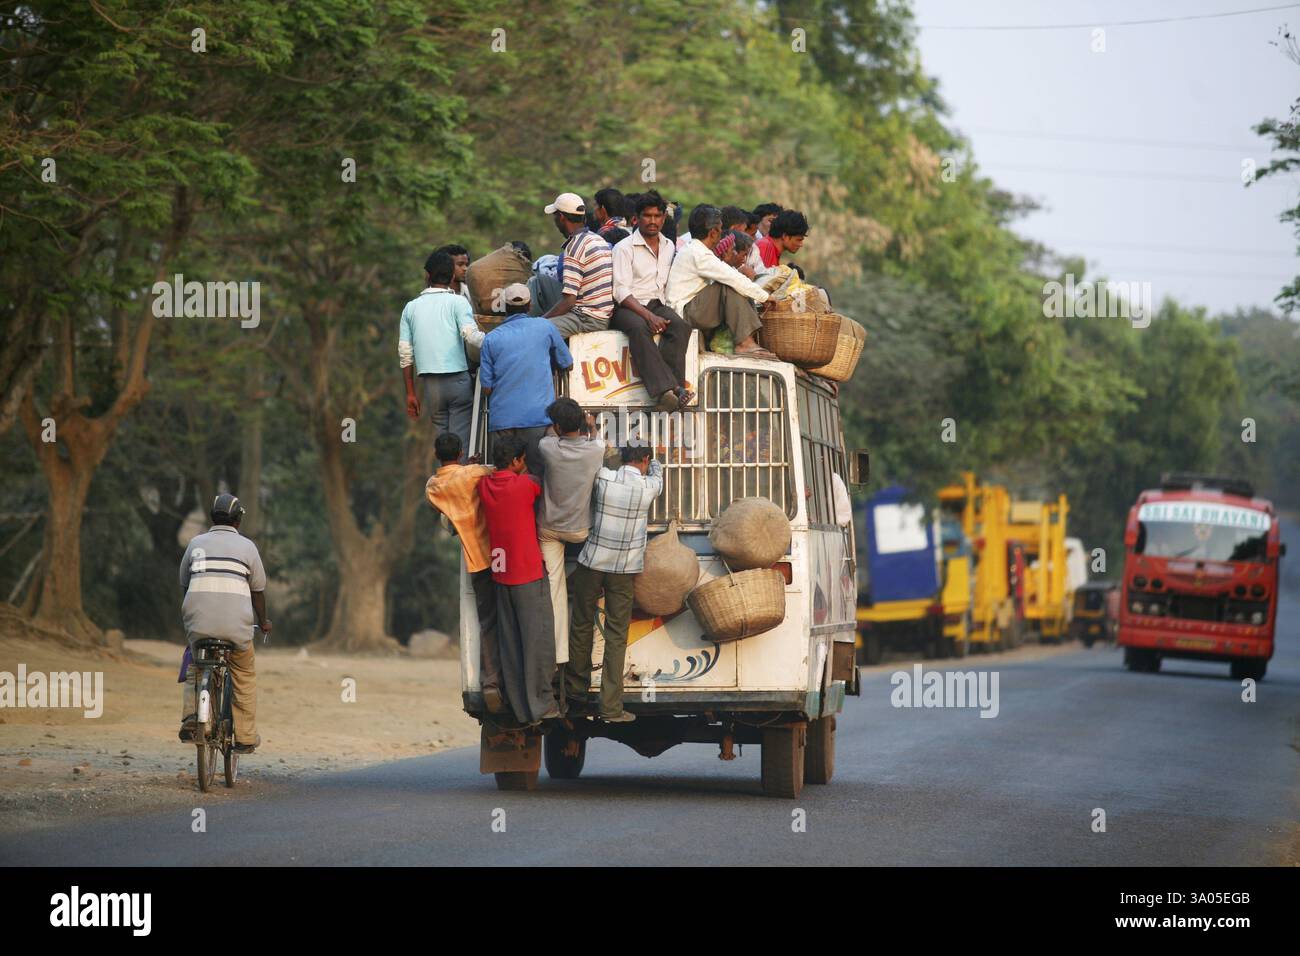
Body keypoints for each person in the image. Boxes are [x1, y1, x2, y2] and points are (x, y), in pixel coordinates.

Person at [564, 445, 664, 722]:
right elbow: (658, 473)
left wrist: (608, 455)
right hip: (623, 570)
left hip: (592, 563)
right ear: (644, 460)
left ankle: (576, 693)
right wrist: (656, 460)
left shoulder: (604, 478)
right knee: (616, 635)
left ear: (623, 459)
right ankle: (610, 707)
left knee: (581, 624)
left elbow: (593, 463)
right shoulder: (649, 487)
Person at [478, 435, 560, 725]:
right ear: (515, 461)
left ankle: (519, 707)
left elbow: (481, 474)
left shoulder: (484, 485)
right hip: (527, 572)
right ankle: (541, 705)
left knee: (510, 643)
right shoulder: (525, 484)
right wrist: (524, 472)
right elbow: (541, 484)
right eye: (522, 460)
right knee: (537, 641)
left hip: (500, 574)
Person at [178, 494, 269, 754]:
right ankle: (245, 737)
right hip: (236, 629)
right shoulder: (248, 548)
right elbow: (258, 591)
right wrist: (264, 622)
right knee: (243, 674)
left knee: (195, 665)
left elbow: (185, 583)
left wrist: (194, 617)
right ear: (238, 520)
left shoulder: (195, 543)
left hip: (198, 624)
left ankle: (192, 717)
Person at [425, 432, 504, 714]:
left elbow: (441, 501)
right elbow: (500, 470)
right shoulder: (474, 473)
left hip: (476, 562)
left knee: (487, 623)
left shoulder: (433, 487)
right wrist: (471, 467)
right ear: (460, 452)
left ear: (437, 455)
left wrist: (462, 468)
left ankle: (493, 681)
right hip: (504, 553)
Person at [535, 398, 608, 673]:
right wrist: (591, 427)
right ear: (582, 424)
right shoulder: (594, 451)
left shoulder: (547, 448)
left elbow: (548, 434)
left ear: (556, 425)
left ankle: (558, 657)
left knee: (554, 588)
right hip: (581, 531)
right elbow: (597, 441)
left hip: (549, 529)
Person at [611, 190, 694, 413]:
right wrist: (648, 316)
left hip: (657, 303)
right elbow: (620, 291)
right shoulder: (624, 248)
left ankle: (671, 395)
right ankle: (671, 390)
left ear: (663, 218)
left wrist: (657, 313)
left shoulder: (668, 246)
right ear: (637, 218)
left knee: (680, 326)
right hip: (627, 307)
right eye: (648, 216)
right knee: (639, 328)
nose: (653, 221)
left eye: (657, 216)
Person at [480, 282, 572, 475]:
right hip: (537, 417)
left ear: (504, 307)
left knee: (504, 475)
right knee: (536, 474)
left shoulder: (491, 338)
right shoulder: (545, 327)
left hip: (502, 419)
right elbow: (567, 363)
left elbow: (486, 387)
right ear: (529, 305)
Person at [665, 204, 775, 358]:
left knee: (734, 283)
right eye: (720, 229)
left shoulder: (696, 250)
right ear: (713, 232)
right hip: (684, 313)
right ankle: (744, 343)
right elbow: (731, 277)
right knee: (729, 285)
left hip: (692, 308)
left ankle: (746, 340)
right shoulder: (699, 254)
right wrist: (765, 297)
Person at [400, 251, 477, 455]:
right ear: (452, 277)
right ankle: (461, 484)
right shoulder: (458, 303)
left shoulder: (411, 308)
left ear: (427, 275)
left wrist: (410, 393)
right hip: (459, 380)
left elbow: (405, 353)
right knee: (461, 444)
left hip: (430, 384)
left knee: (443, 444)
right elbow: (471, 336)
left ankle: (444, 484)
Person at [542, 192, 616, 336]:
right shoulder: (596, 239)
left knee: (537, 330)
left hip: (587, 318)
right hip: (603, 314)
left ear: (561, 217)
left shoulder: (574, 247)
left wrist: (540, 321)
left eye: (555, 217)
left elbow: (569, 301)